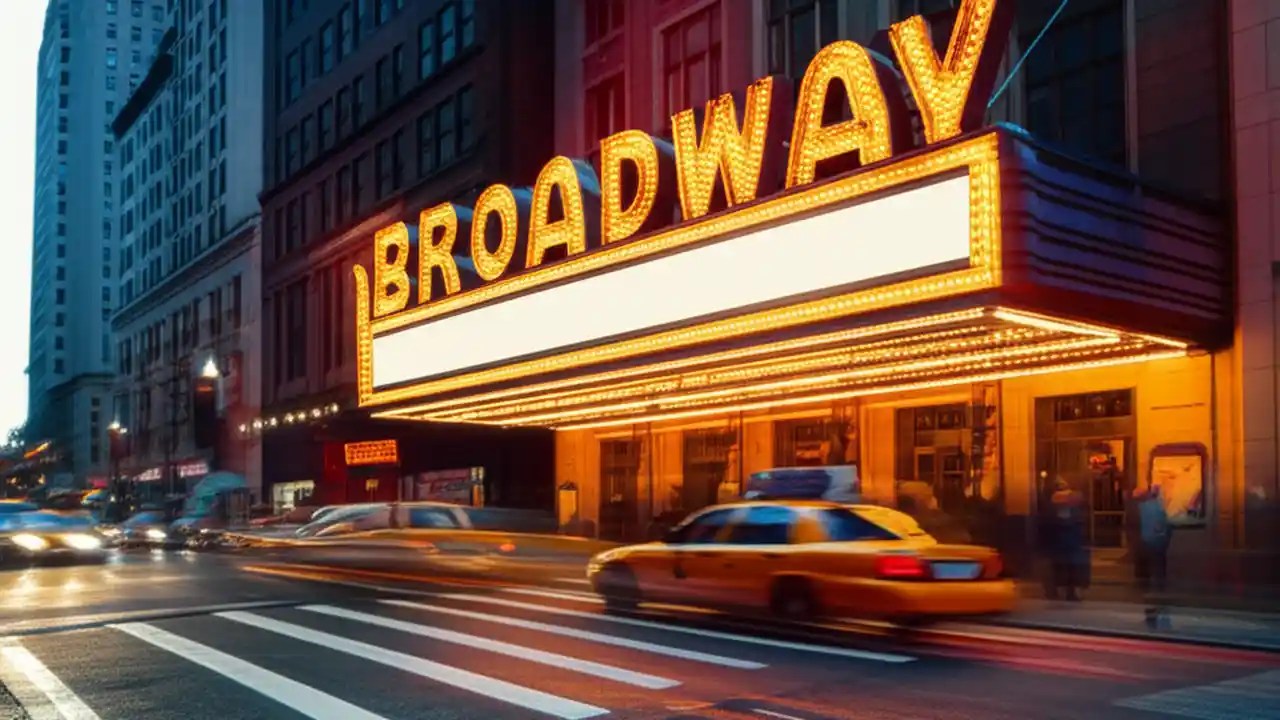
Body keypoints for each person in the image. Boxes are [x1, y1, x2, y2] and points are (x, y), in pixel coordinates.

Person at [1133, 484, 1172, 629]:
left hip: (1146, 546)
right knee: (1159, 573)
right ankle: (1159, 600)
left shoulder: (1140, 510)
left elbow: (1134, 529)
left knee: (1147, 578)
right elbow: (1167, 527)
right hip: (1158, 545)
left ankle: (1152, 604)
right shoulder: (1159, 507)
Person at [1042, 478, 1089, 601]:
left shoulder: (1058, 512)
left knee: (1067, 570)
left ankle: (1066, 592)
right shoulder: (1062, 512)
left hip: (1066, 546)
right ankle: (1064, 592)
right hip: (1065, 546)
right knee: (1064, 570)